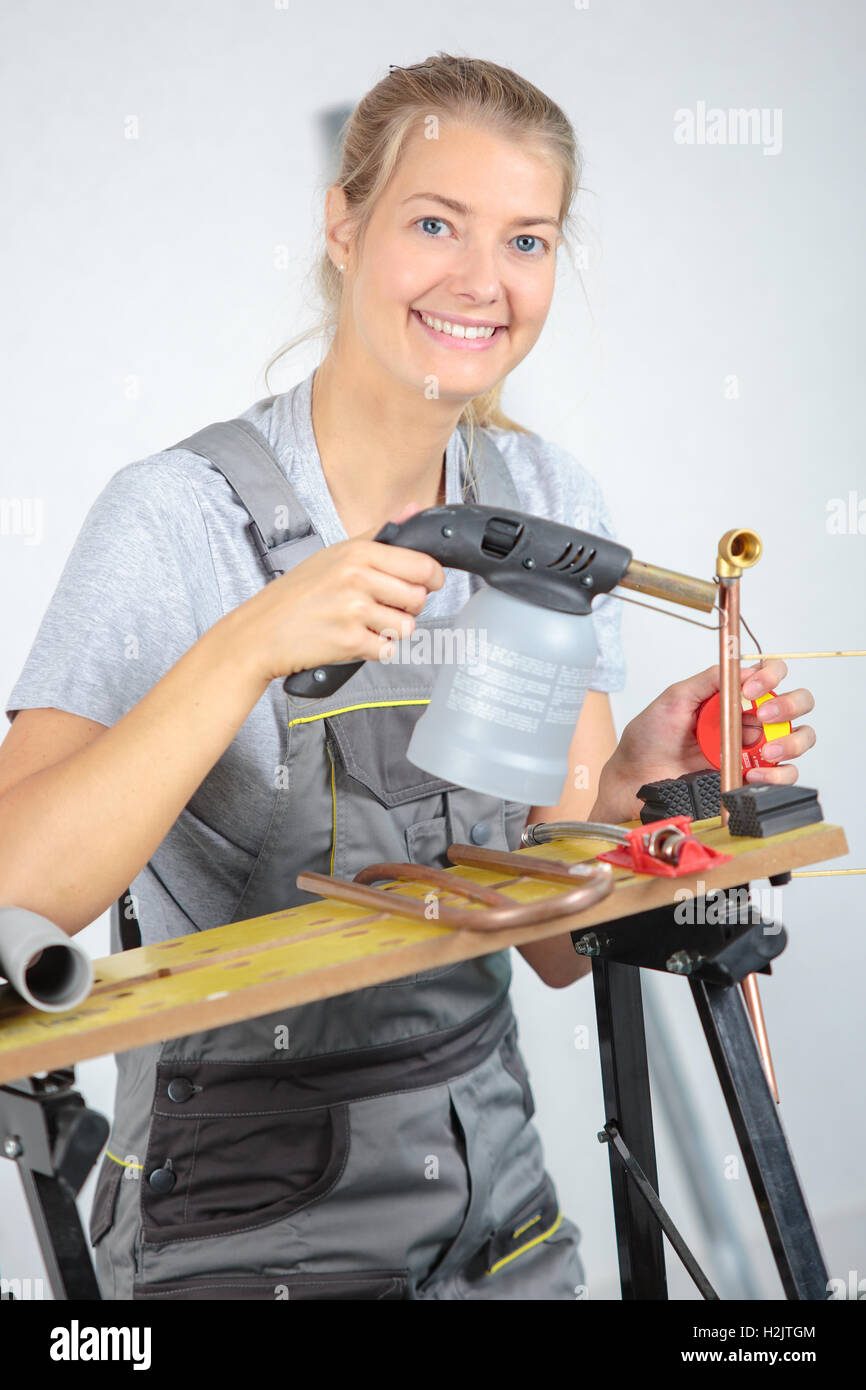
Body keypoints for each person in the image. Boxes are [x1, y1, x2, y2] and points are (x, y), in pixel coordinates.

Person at [0, 54, 815, 1301]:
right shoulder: (176, 519)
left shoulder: (543, 505)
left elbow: (553, 942)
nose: (482, 281)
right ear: (342, 224)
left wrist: (643, 780)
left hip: (499, 1202)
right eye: (433, 222)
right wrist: (250, 642)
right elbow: (19, 889)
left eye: (527, 239)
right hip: (239, 1218)